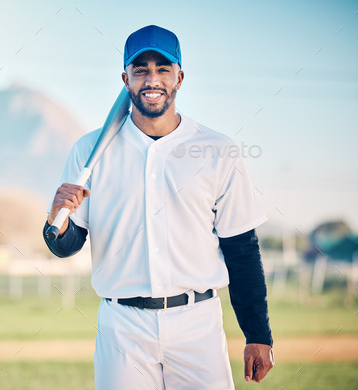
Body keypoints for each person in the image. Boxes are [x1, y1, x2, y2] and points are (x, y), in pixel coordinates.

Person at [43, 25, 274, 389]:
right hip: (123, 326)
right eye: (141, 70)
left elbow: (242, 250)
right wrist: (57, 220)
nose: (152, 79)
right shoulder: (89, 151)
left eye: (163, 68)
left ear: (179, 76)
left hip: (197, 323)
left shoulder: (217, 150)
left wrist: (258, 334)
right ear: (126, 78)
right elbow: (66, 244)